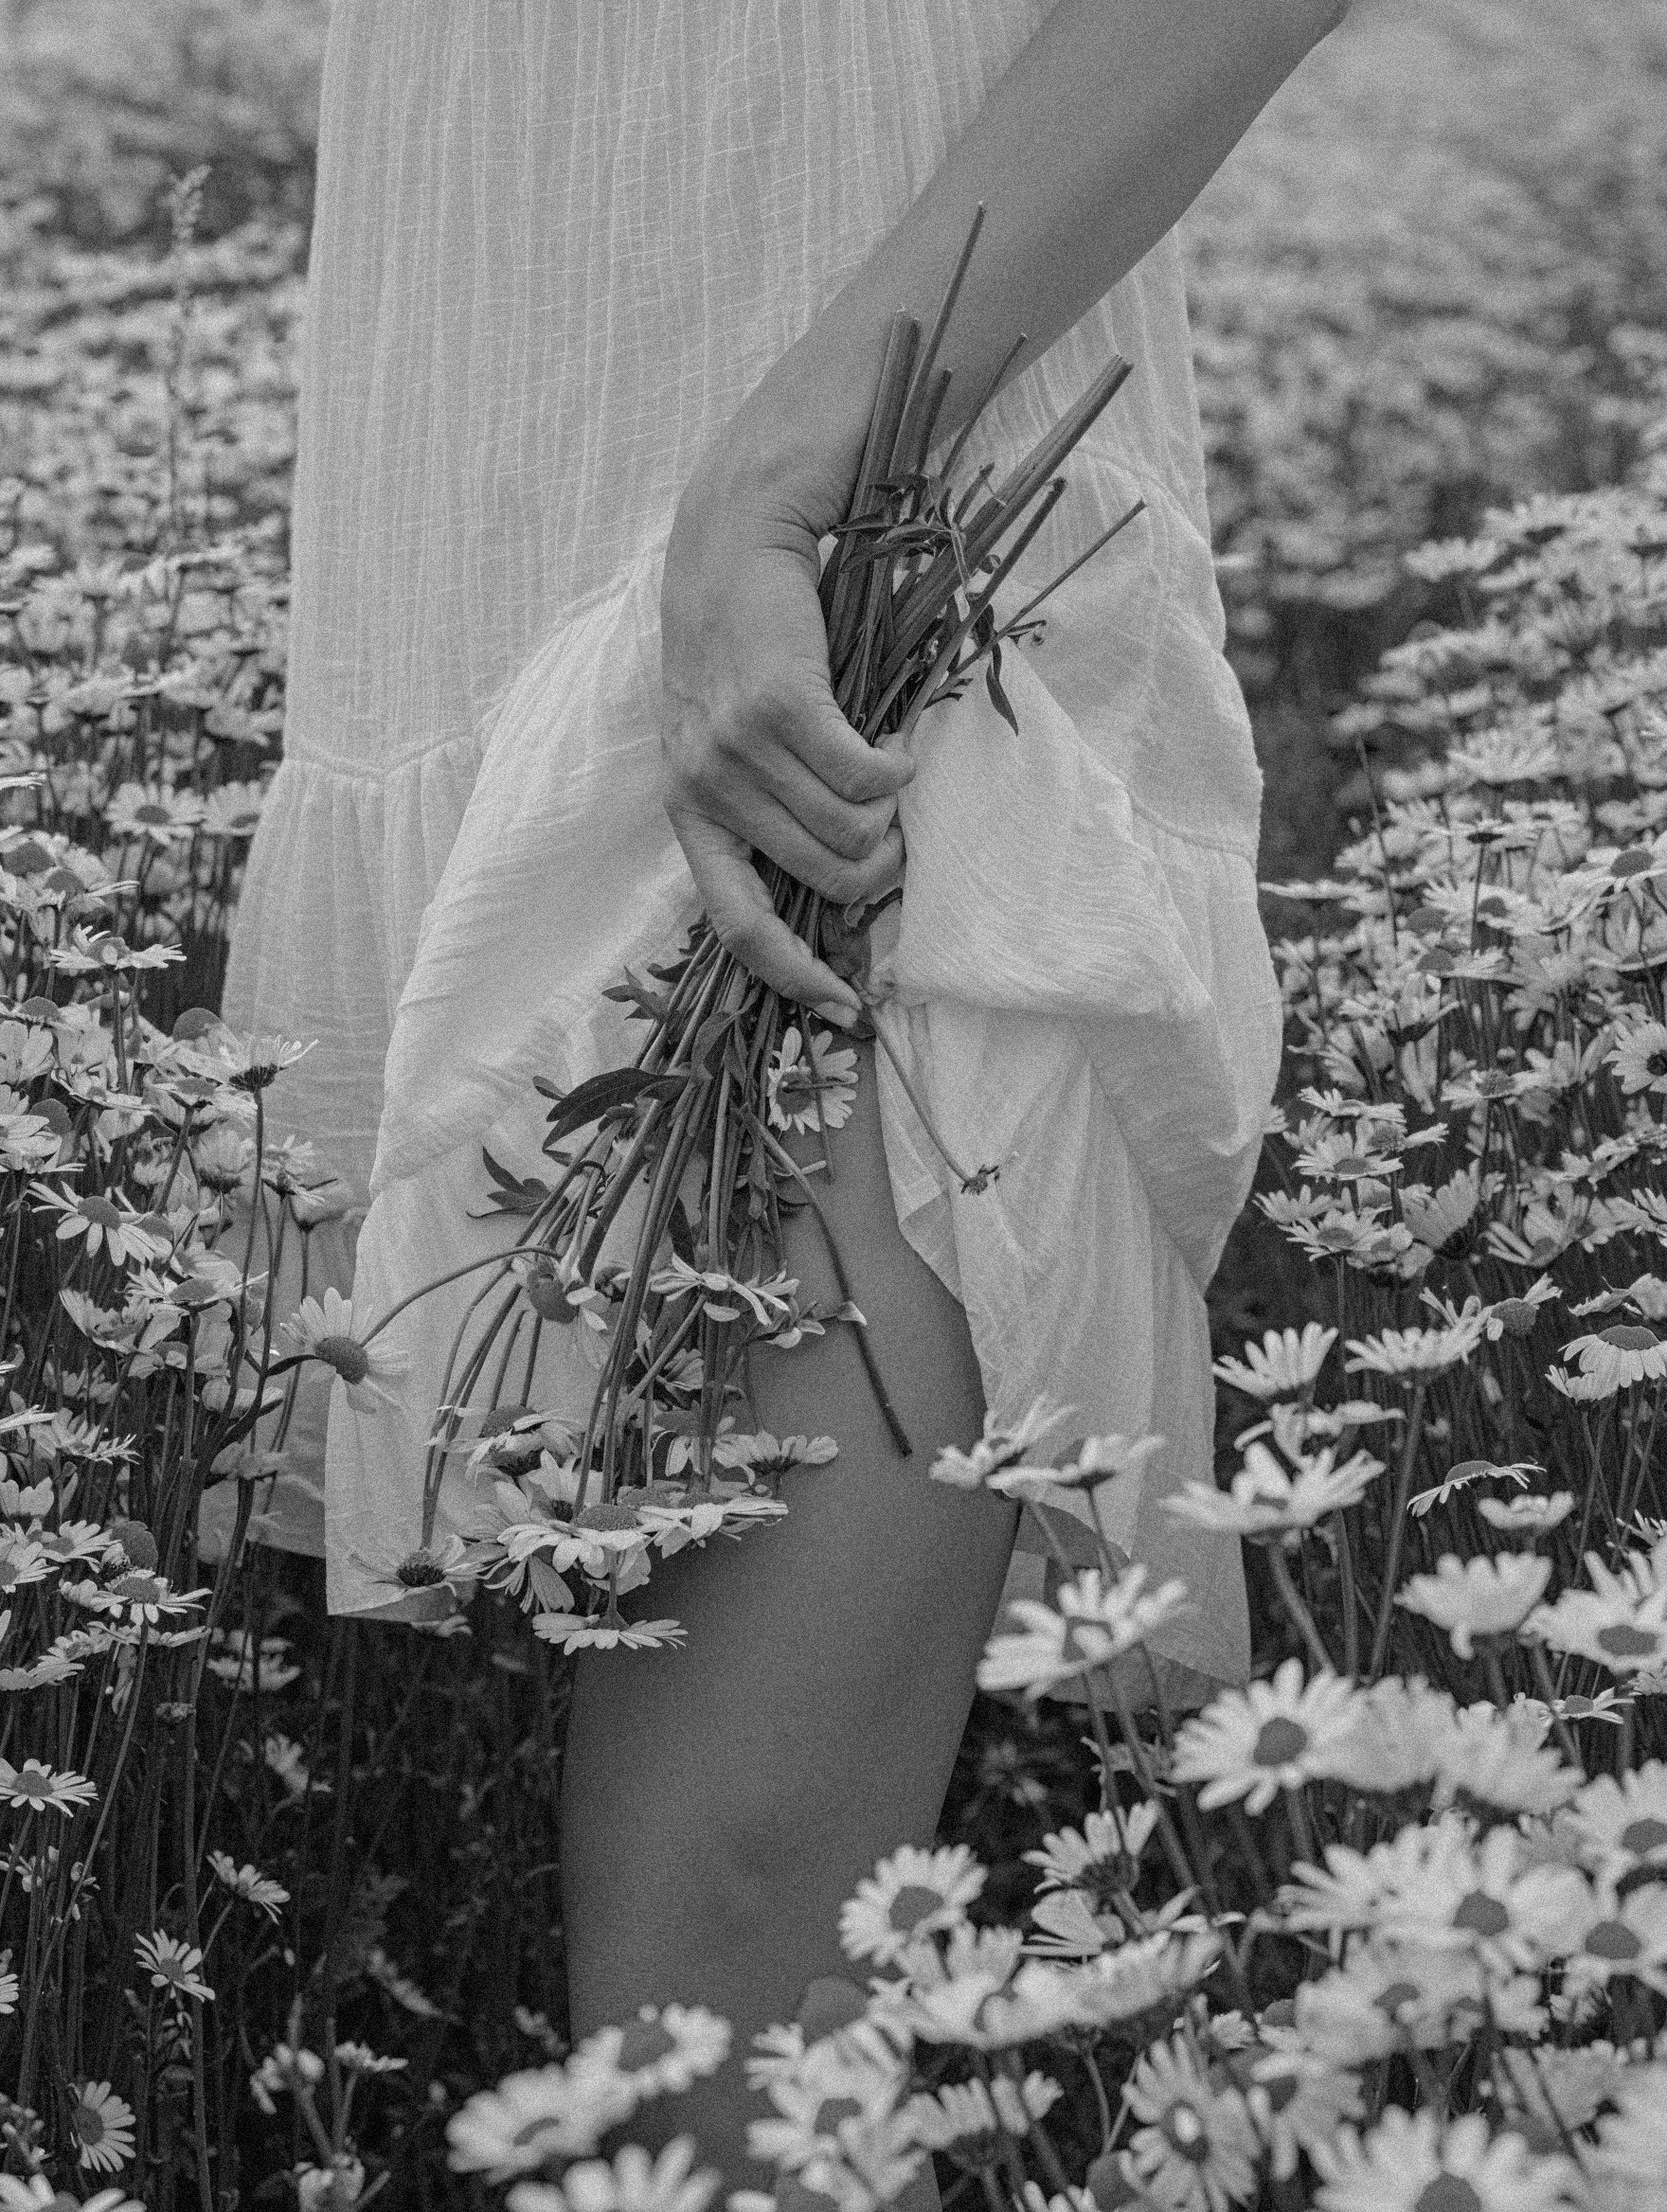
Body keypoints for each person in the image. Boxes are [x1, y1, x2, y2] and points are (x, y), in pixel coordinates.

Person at [220, 0, 1348, 2193]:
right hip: (485, 513)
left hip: (870, 574)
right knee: (690, 2026)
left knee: (724, 1972)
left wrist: (786, 469)